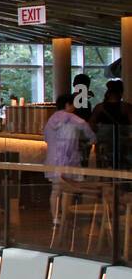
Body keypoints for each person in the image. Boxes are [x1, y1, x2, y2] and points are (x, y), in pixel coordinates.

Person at [43, 93, 96, 223]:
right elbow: (86, 127)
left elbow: (45, 138)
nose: (75, 107)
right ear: (67, 105)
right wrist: (92, 140)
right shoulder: (71, 118)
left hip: (52, 159)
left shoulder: (51, 120)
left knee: (56, 190)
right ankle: (66, 216)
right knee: (68, 190)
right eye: (73, 104)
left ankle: (56, 217)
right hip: (69, 158)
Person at [90, 80, 132, 170]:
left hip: (104, 140)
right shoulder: (126, 107)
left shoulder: (99, 107)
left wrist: (99, 132)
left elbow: (92, 124)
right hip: (122, 140)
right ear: (121, 92)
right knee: (122, 163)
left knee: (104, 163)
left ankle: (106, 179)